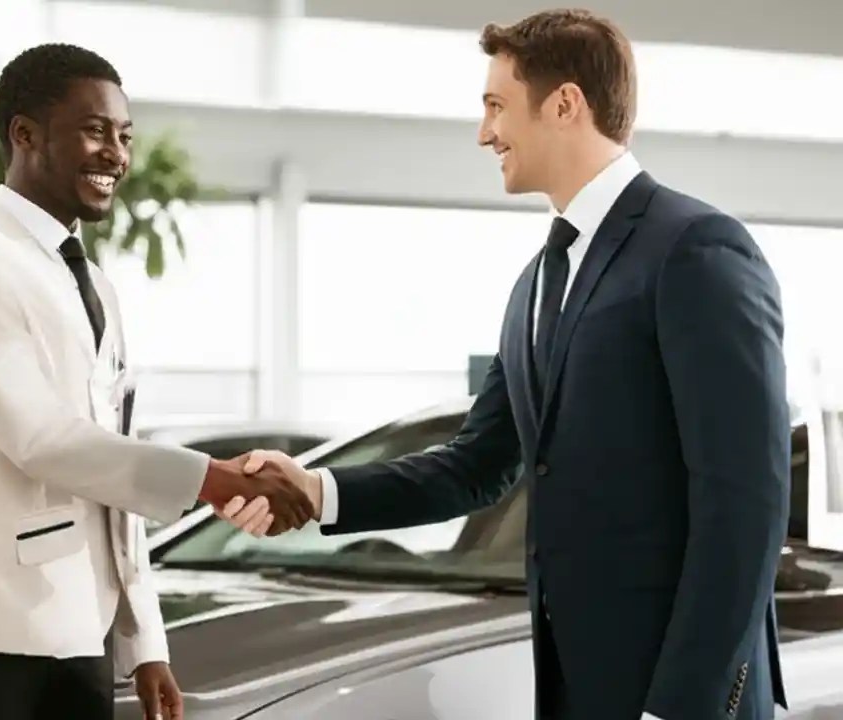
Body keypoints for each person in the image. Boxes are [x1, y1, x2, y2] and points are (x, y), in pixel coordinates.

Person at [227, 9, 790, 720]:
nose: (484, 132)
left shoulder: (697, 250)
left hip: (675, 696)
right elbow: (478, 464)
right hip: (573, 689)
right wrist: (314, 489)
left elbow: (745, 503)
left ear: (565, 104)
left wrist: (681, 707)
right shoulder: (535, 283)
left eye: (496, 105)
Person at [0, 42, 310, 720]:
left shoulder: (98, 287)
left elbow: (113, 462)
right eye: (94, 130)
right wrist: (217, 479)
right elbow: (43, 440)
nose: (116, 153)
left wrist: (143, 640)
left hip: (80, 638)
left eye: (124, 135)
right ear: (24, 135)